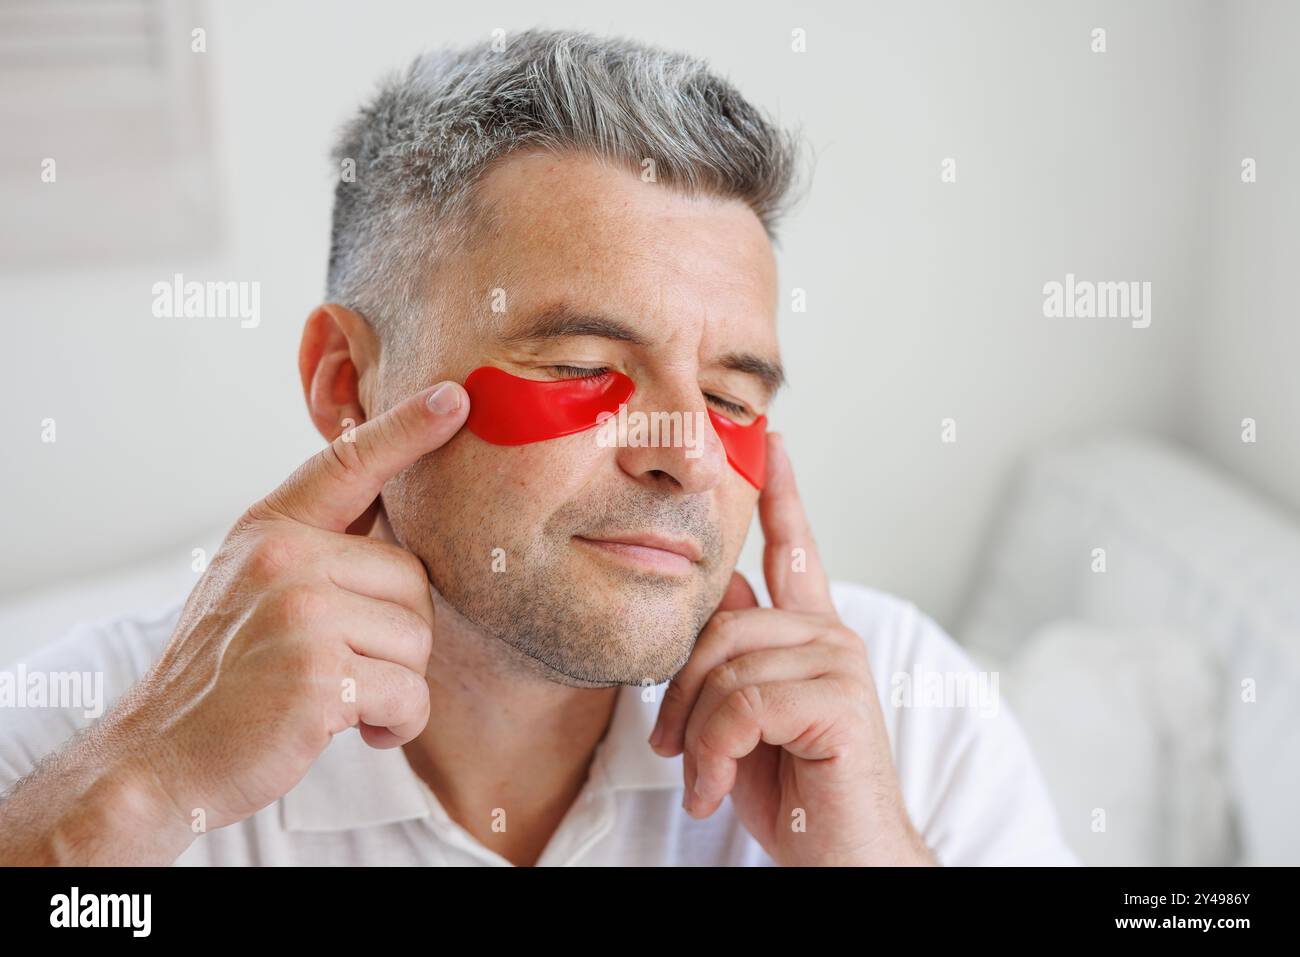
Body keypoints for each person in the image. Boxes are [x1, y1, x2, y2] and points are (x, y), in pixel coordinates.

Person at [0, 29, 1076, 867]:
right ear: (347, 385)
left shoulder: (901, 718)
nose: (687, 457)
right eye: (580, 368)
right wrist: (132, 794)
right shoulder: (74, 738)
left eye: (730, 393)